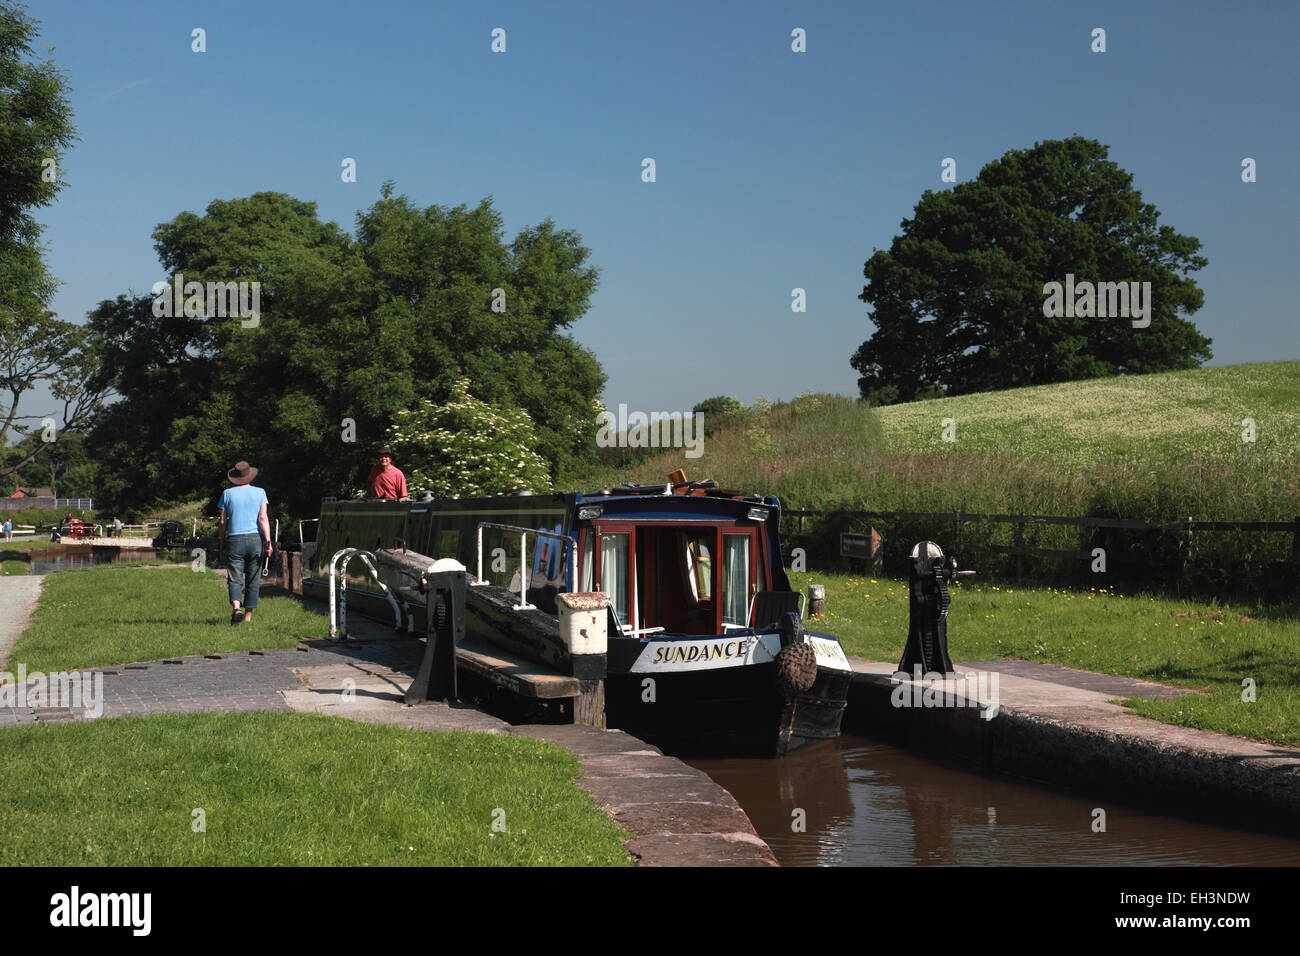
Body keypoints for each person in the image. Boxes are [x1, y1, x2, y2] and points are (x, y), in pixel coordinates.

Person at [217, 460, 273, 625]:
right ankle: (248, 618)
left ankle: (236, 608)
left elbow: (222, 521)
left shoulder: (227, 494)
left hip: (234, 539)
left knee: (234, 577)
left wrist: (221, 540)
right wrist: (268, 541)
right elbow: (263, 518)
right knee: (253, 578)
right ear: (249, 475)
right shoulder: (260, 492)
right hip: (255, 539)